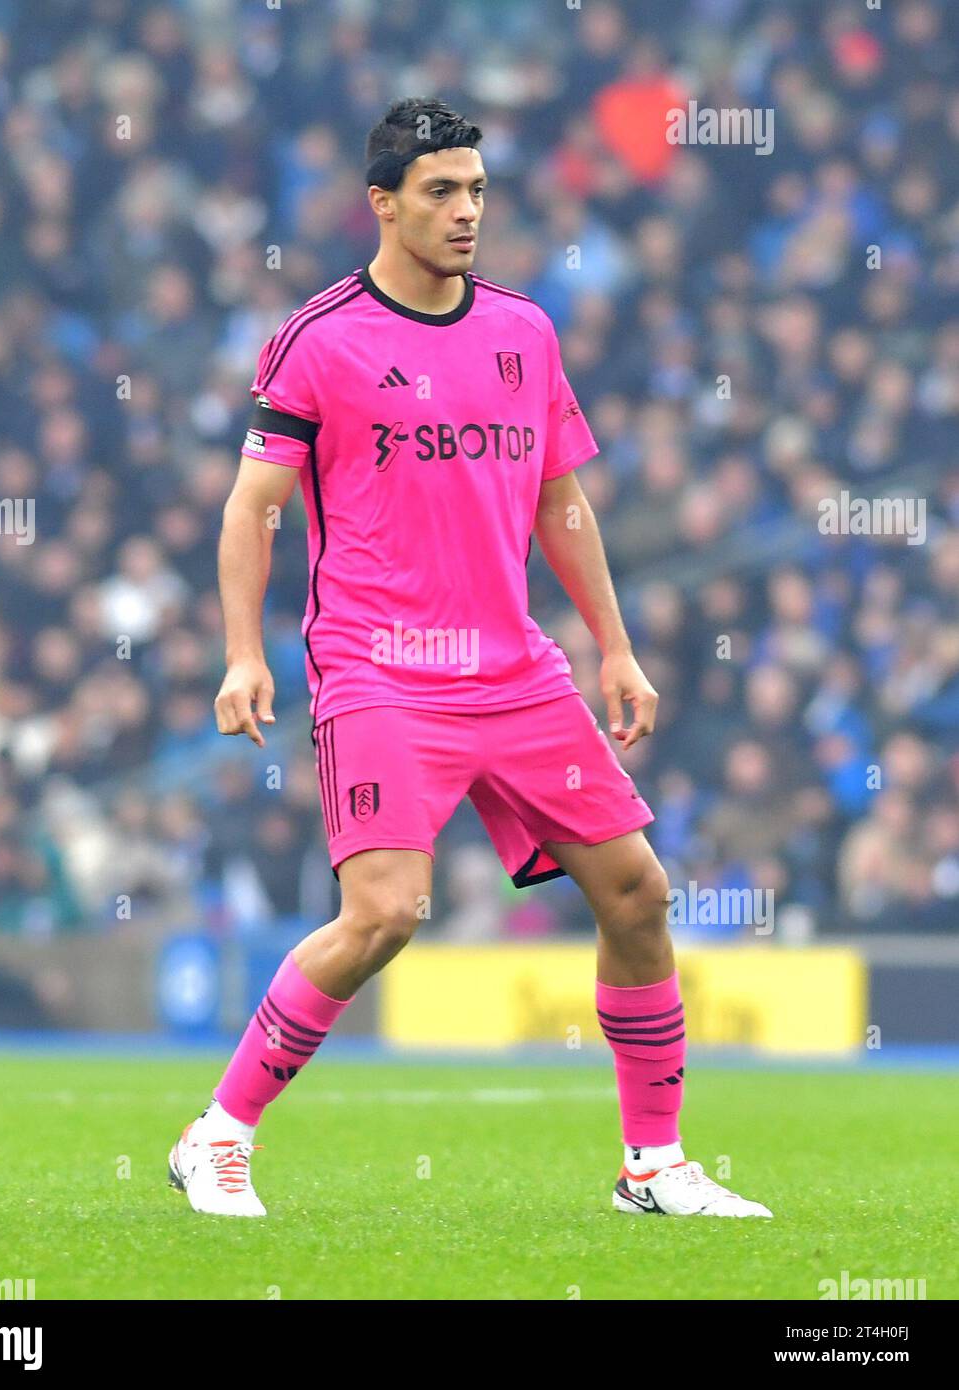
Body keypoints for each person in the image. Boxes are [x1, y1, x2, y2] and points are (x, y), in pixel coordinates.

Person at [168, 98, 771, 1219]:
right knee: (386, 914)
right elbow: (251, 505)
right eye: (441, 191)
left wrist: (617, 648)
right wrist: (242, 655)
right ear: (382, 203)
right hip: (380, 668)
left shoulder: (525, 331)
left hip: (516, 669)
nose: (466, 212)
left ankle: (654, 1165)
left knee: (638, 891)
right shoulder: (320, 337)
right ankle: (218, 1133)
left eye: (478, 191)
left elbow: (562, 499)